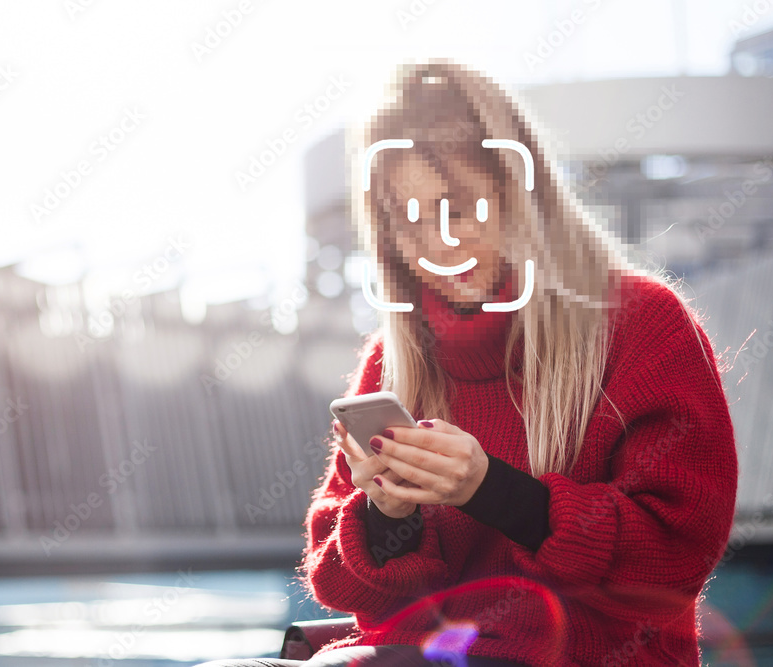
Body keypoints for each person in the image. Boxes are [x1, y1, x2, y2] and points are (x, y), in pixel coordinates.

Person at [199, 60, 737, 667]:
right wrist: (388, 515)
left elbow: (676, 556)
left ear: (519, 195)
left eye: (456, 210)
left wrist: (491, 490)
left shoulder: (642, 325)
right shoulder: (392, 360)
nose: (438, 246)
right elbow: (335, 582)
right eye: (408, 224)